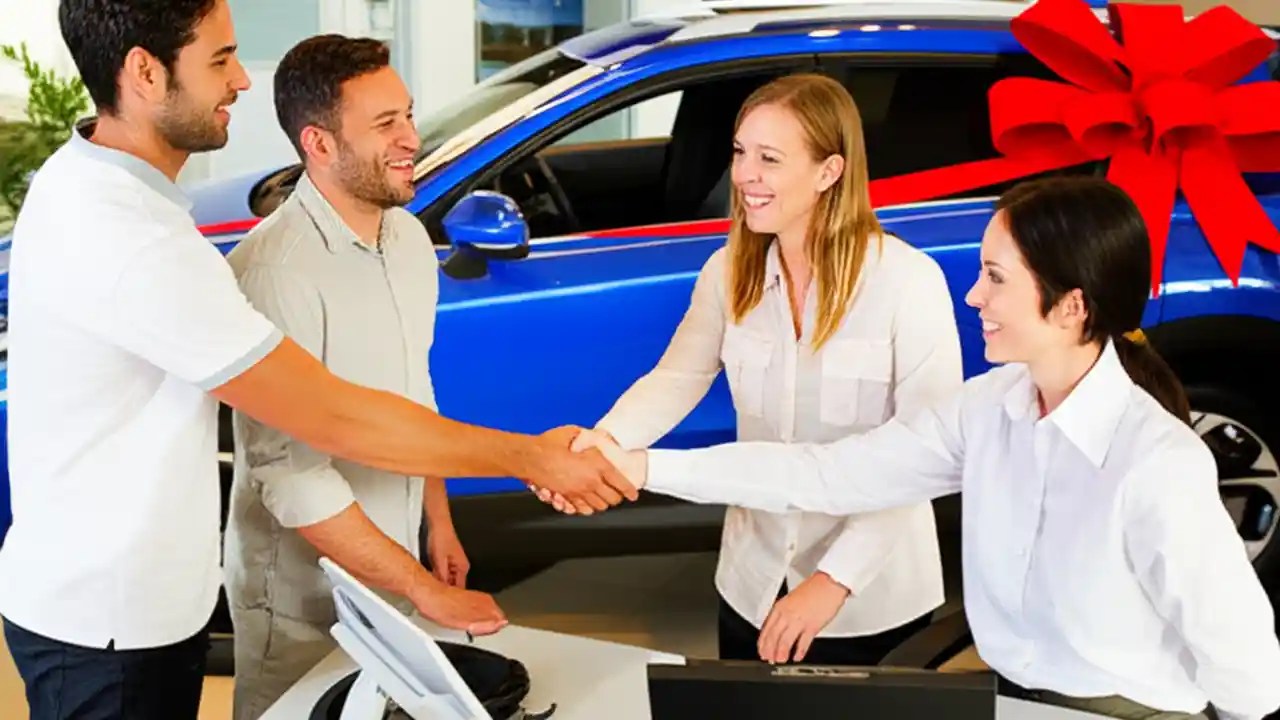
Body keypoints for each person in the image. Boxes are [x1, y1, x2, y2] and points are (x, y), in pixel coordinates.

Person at [0, 2, 634, 718]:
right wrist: (531, 459)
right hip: (107, 628)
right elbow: (328, 422)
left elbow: (400, 392)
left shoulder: (110, 189)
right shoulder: (138, 238)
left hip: (134, 606)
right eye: (218, 60)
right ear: (145, 72)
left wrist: (436, 520)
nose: (241, 79)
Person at [571, 176, 1280, 719]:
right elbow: (828, 475)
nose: (973, 296)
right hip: (1006, 698)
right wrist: (640, 466)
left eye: (997, 279)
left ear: (1071, 307)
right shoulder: (987, 409)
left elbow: (1246, 661)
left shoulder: (1156, 463)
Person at [562, 73, 961, 666]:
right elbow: (675, 381)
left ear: (830, 172)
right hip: (752, 584)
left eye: (769, 159)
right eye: (740, 152)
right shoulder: (726, 273)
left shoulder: (907, 283)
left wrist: (832, 582)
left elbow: (922, 460)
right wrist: (595, 451)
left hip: (872, 600)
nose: (744, 175)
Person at [220, 35, 483, 718]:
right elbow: (291, 474)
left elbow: (412, 395)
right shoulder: (275, 271)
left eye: (408, 115)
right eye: (385, 124)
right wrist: (423, 590)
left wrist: (438, 523)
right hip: (303, 600)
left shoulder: (409, 240)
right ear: (320, 143)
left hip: (393, 566)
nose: (411, 139)